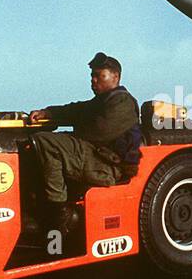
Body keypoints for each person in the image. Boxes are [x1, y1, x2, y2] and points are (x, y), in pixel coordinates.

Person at [28, 52, 141, 233]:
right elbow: (76, 109)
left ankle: (58, 210)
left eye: (99, 76)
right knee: (43, 143)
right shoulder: (102, 101)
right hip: (95, 157)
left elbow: (98, 131)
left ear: (116, 77)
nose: (93, 81)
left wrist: (66, 134)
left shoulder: (123, 102)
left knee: (46, 141)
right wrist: (48, 113)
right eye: (92, 76)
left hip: (108, 166)